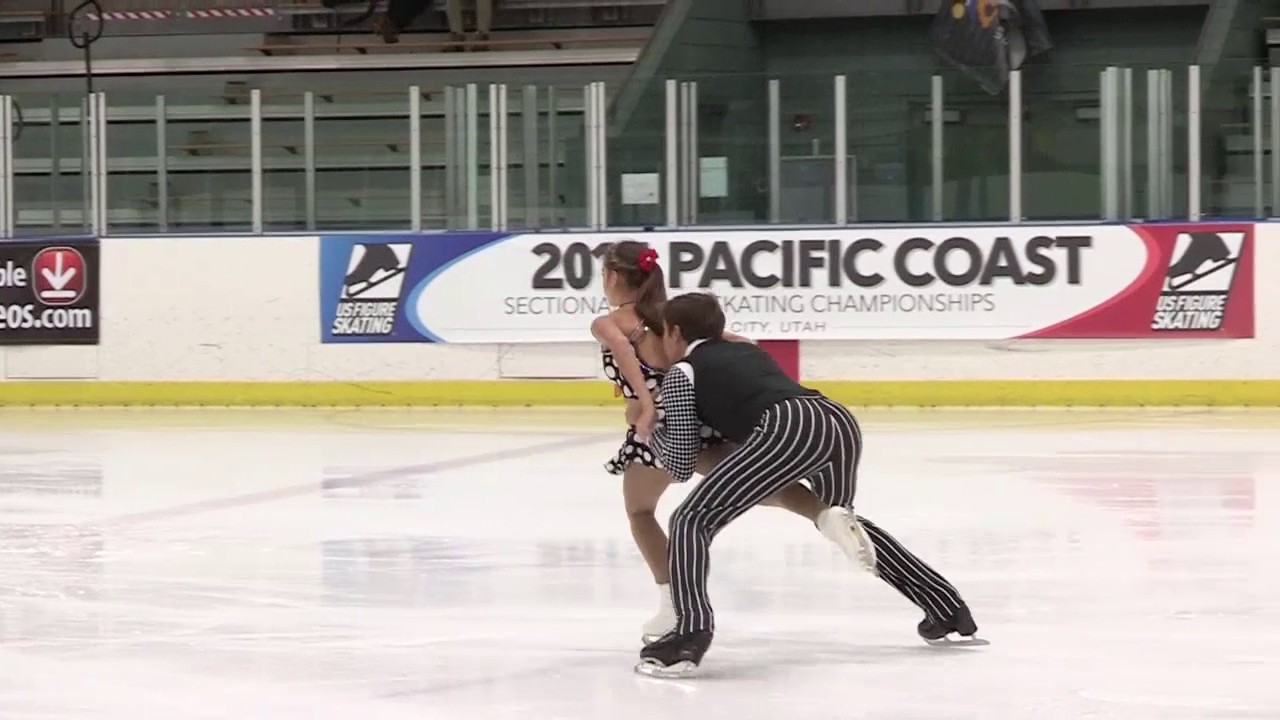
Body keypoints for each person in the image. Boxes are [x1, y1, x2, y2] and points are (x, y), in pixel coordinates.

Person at [634, 292, 981, 678]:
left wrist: (650, 431)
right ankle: (946, 607)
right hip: (836, 422)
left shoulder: (684, 372)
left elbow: (681, 464)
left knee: (689, 520)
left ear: (675, 332)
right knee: (841, 523)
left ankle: (688, 635)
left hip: (787, 427)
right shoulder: (751, 353)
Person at [594, 243, 852, 642]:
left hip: (659, 432)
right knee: (765, 486)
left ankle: (673, 605)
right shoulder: (671, 316)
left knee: (641, 512)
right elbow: (738, 342)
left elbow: (626, 354)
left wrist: (644, 404)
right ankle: (825, 515)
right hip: (702, 424)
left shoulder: (610, 322)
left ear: (613, 276)